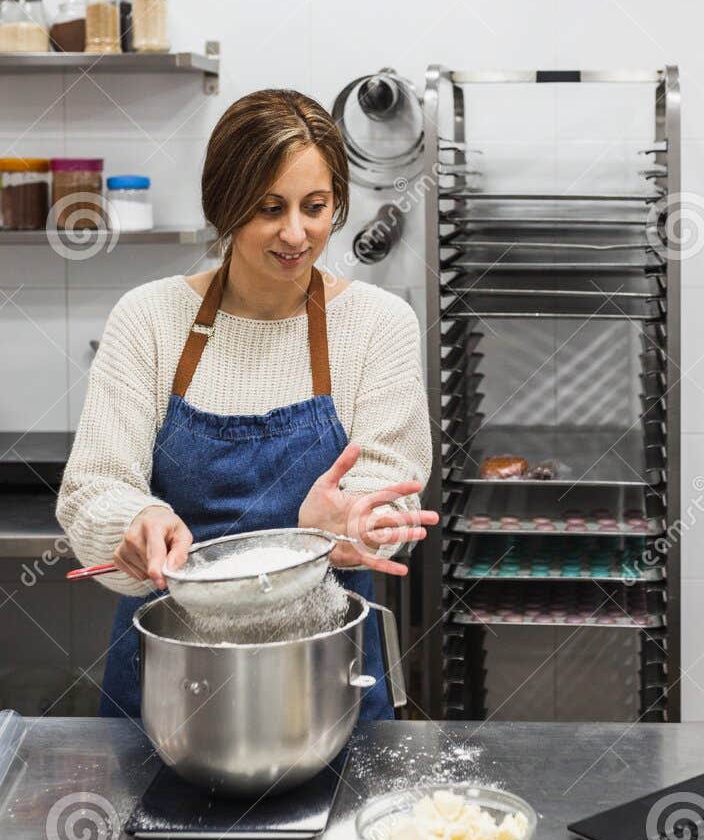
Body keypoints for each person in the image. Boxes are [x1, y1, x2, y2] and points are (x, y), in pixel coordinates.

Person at [57, 88, 436, 720]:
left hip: (324, 673)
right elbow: (96, 485)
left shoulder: (378, 324)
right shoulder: (149, 319)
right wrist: (132, 524)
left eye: (315, 207)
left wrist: (356, 524)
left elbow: (388, 483)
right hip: (171, 677)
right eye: (268, 208)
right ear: (224, 206)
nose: (296, 233)